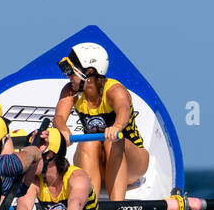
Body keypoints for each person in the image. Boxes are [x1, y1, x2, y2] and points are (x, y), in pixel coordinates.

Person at [52, 42, 149, 201]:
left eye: (70, 71)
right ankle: (90, 207)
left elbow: (123, 109)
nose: (67, 76)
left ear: (89, 71)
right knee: (87, 143)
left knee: (113, 141)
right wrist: (62, 129)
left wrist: (117, 126)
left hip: (132, 164)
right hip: (98, 162)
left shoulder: (114, 91)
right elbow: (59, 117)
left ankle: (117, 205)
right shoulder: (70, 91)